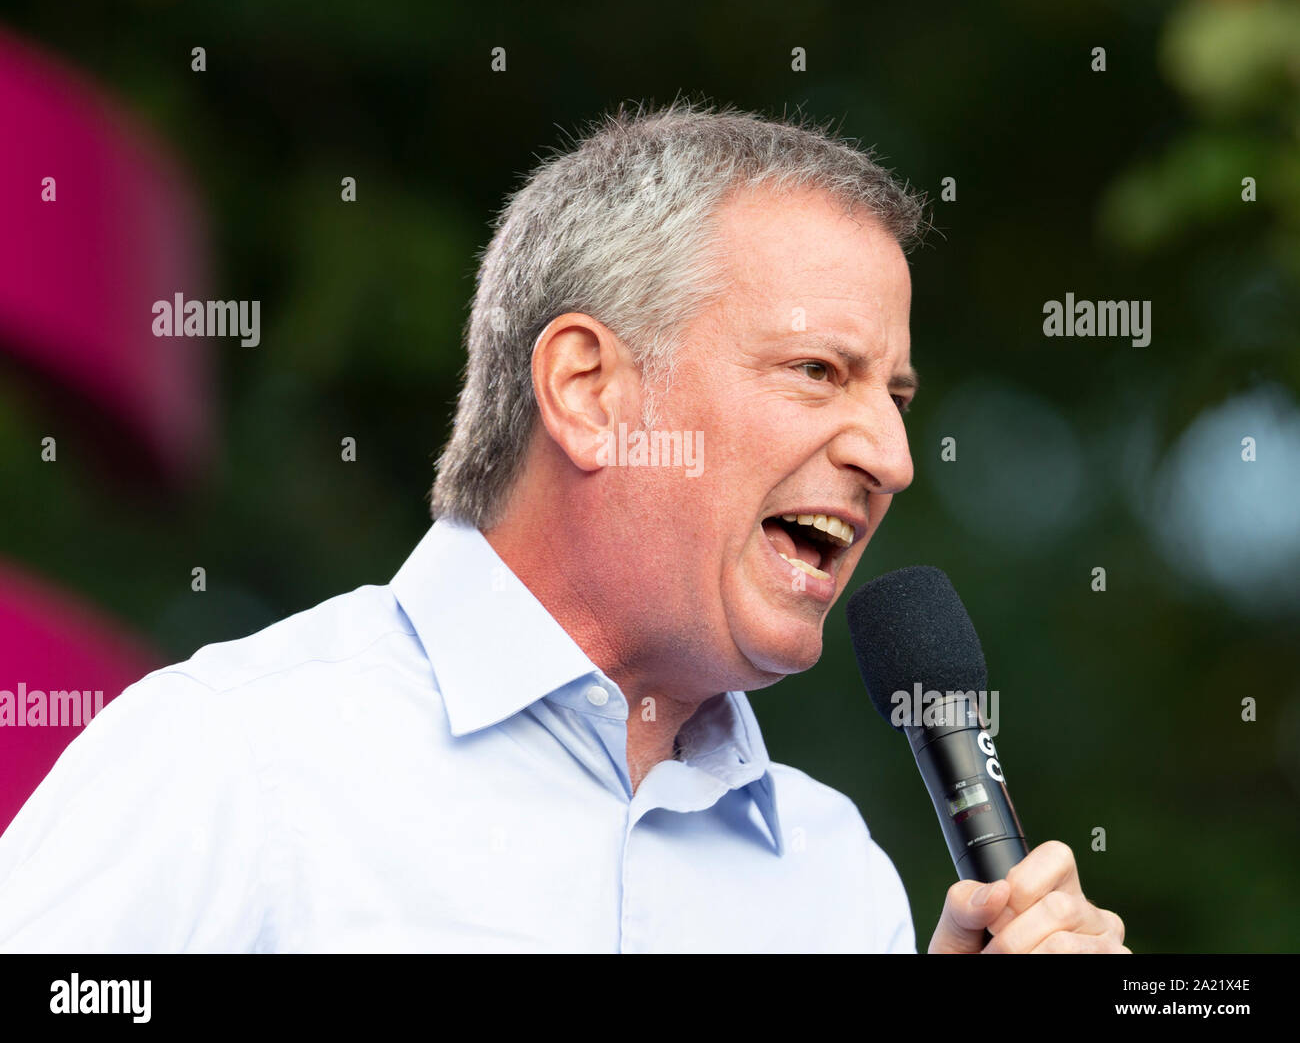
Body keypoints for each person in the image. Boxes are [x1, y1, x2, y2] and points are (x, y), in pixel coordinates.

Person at [0, 103, 1127, 953]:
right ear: (589, 390)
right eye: (817, 371)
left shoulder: (841, 884)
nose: (889, 455)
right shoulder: (230, 763)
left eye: (895, 396)